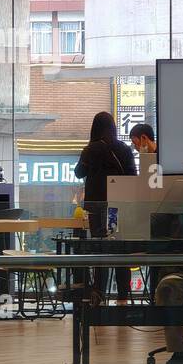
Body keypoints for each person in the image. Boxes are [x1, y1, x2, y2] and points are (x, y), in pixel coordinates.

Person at [74, 111, 136, 299]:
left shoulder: (90, 149)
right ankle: (123, 295)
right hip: (118, 207)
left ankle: (99, 293)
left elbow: (79, 173)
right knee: (119, 248)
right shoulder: (124, 149)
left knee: (100, 247)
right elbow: (133, 176)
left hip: (96, 207)